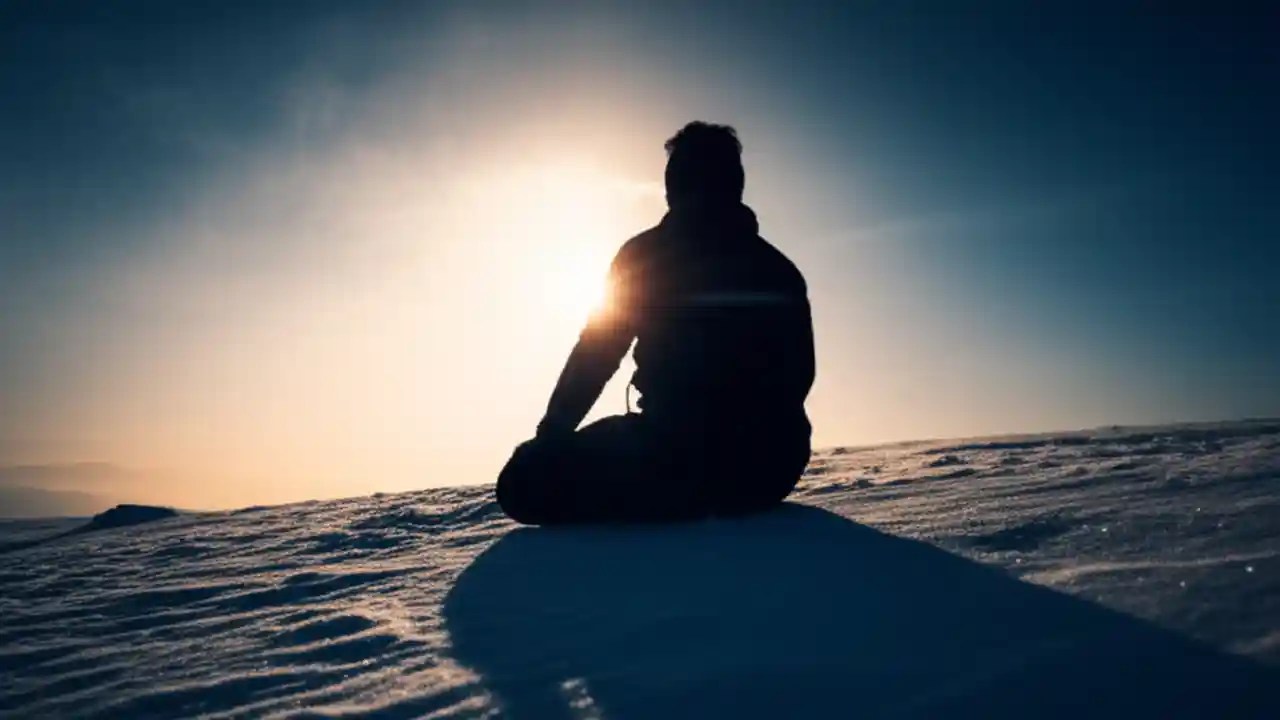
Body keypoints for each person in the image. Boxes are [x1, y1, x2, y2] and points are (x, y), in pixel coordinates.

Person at [497, 121, 815, 525]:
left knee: (521, 480)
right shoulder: (781, 270)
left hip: (669, 456)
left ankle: (669, 501)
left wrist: (551, 437)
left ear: (672, 188)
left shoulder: (643, 256)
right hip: (770, 469)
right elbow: (799, 377)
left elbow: (597, 351)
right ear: (736, 185)